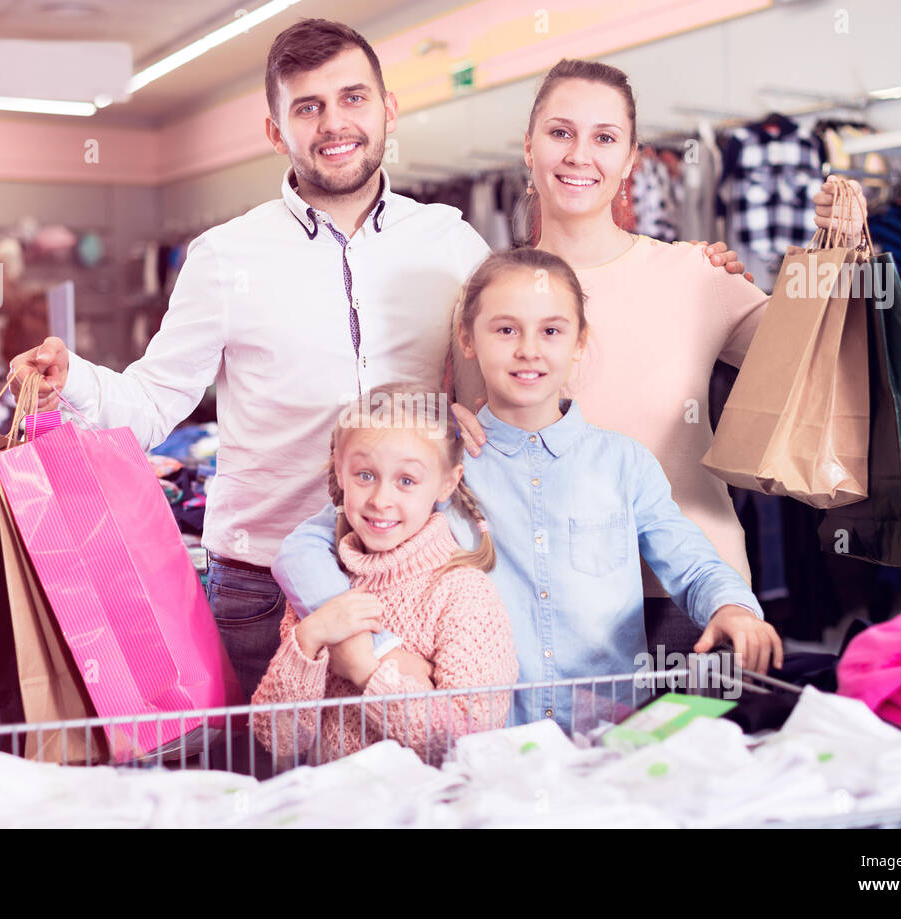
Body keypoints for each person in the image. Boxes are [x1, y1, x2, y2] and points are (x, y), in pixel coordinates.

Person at [6, 22, 749, 698]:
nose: (335, 123)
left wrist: (691, 268)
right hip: (261, 586)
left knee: (400, 789)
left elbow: (528, 330)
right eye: (308, 108)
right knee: (265, 788)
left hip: (406, 579)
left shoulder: (451, 242)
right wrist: (77, 382)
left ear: (387, 110)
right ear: (276, 129)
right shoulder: (223, 256)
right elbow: (153, 402)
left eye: (353, 98)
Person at [449, 59, 868, 656]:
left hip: (698, 597)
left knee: (700, 751)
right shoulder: (487, 298)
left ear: (630, 159)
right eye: (560, 132)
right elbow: (470, 445)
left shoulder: (695, 274)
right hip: (543, 599)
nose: (579, 155)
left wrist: (836, 255)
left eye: (604, 138)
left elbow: (808, 357)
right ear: (529, 146)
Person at [274, 248, 781, 731]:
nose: (528, 350)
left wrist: (731, 605)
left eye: (552, 330)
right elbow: (305, 545)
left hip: (605, 735)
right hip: (485, 739)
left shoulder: (624, 464)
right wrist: (365, 642)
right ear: (467, 339)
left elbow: (690, 561)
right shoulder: (440, 461)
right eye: (505, 329)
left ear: (579, 342)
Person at [252, 383, 516, 764]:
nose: (380, 500)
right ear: (340, 473)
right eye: (364, 475)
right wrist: (308, 640)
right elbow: (279, 742)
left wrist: (365, 670)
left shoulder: (462, 593)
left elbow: (470, 741)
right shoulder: (326, 588)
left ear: (447, 482)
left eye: (406, 481)